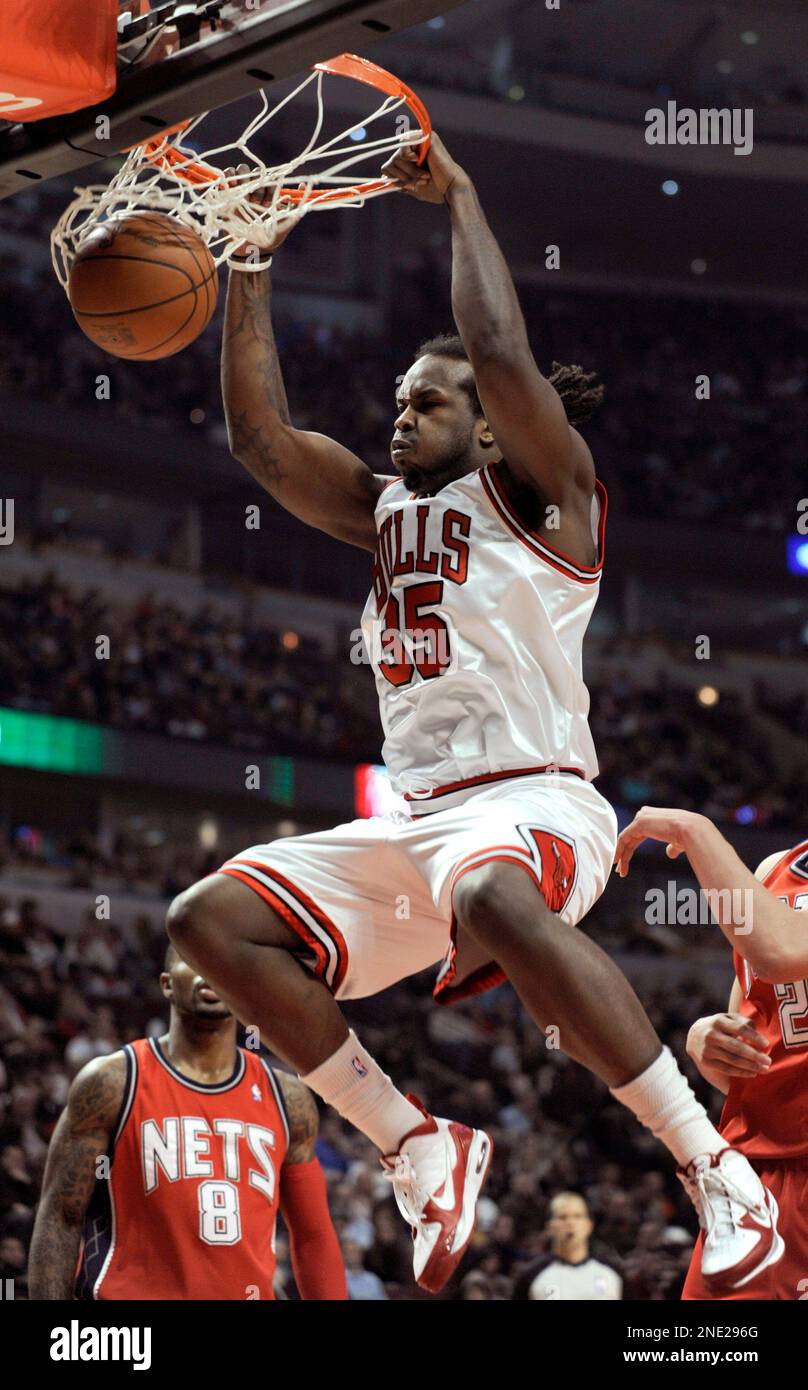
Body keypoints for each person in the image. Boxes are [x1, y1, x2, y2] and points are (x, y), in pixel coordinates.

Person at [167, 132, 780, 1296]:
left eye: (429, 402)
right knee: (210, 918)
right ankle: (414, 1142)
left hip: (539, 801)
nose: (401, 417)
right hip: (418, 825)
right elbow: (260, 440)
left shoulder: (550, 500)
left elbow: (498, 347)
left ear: (494, 425)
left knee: (492, 892)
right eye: (397, 400)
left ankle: (710, 1167)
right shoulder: (386, 506)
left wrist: (459, 196)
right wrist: (246, 257)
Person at [28, 945, 345, 1300]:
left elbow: (313, 1236)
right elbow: (60, 1215)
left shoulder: (289, 1099)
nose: (209, 971)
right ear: (166, 984)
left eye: (221, 961)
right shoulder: (112, 1082)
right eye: (195, 960)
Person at [616, 808, 808, 1299]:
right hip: (753, 1174)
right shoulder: (774, 870)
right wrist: (706, 1042)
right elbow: (752, 1047)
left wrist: (694, 832)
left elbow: (779, 951)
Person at [513, 1192, 622, 1300]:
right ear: (550, 1227)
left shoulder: (612, 1273)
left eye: (577, 1216)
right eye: (562, 1217)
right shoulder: (531, 1276)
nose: (570, 1223)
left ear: (589, 1225)